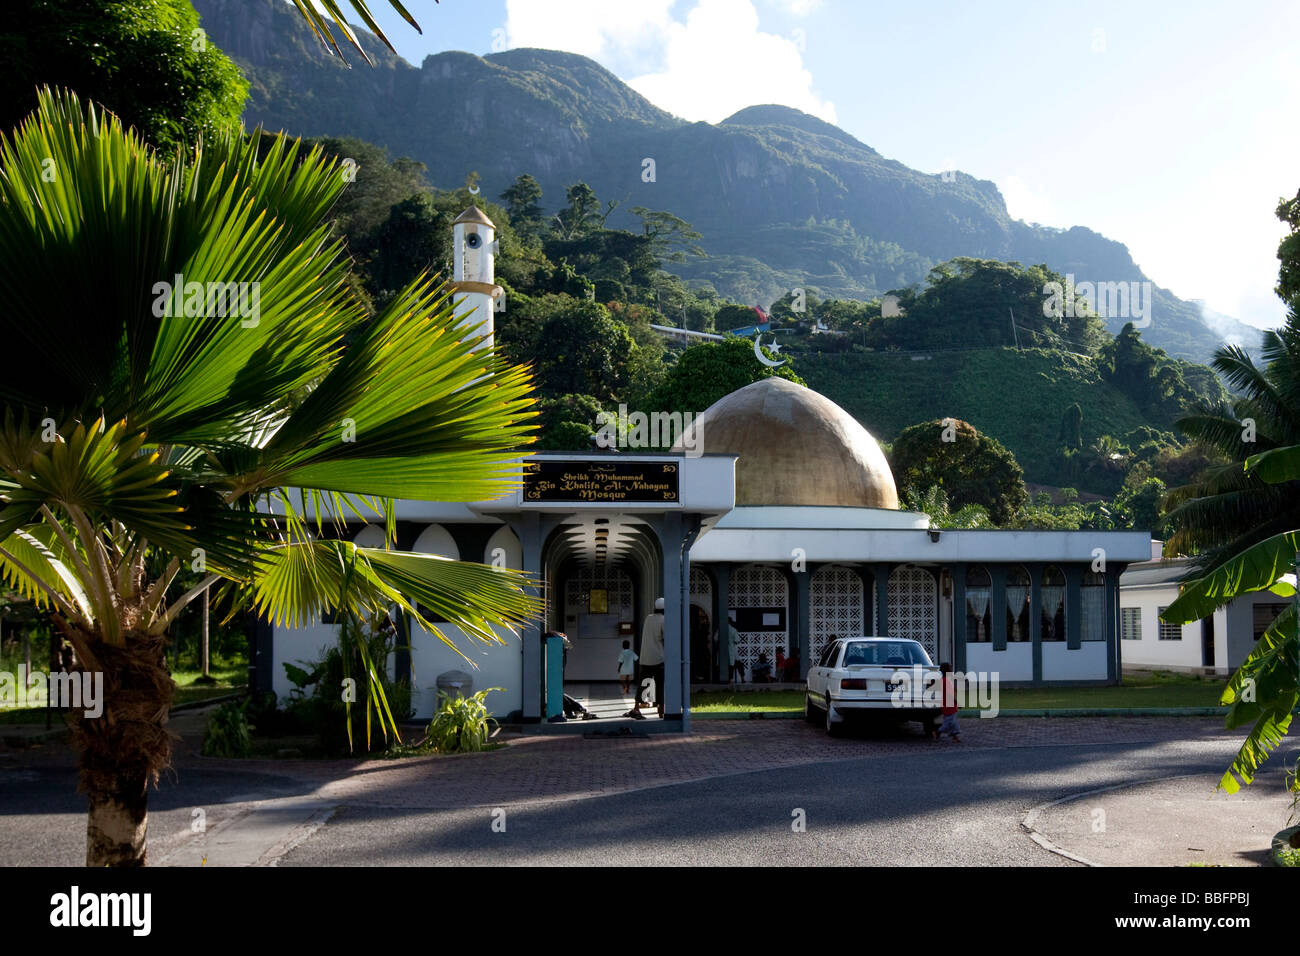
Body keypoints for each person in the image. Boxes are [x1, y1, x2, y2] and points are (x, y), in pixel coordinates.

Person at [630, 597, 665, 719]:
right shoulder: (663, 620)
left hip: (645, 658)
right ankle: (661, 709)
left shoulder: (648, 618)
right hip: (659, 658)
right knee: (660, 684)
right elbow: (666, 638)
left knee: (643, 684)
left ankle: (636, 708)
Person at [934, 661, 961, 742]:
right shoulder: (945, 681)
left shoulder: (944, 680)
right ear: (946, 670)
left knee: (952, 722)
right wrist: (956, 702)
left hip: (948, 704)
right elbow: (949, 694)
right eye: (950, 667)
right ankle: (937, 732)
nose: (951, 669)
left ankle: (954, 737)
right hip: (949, 705)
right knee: (949, 722)